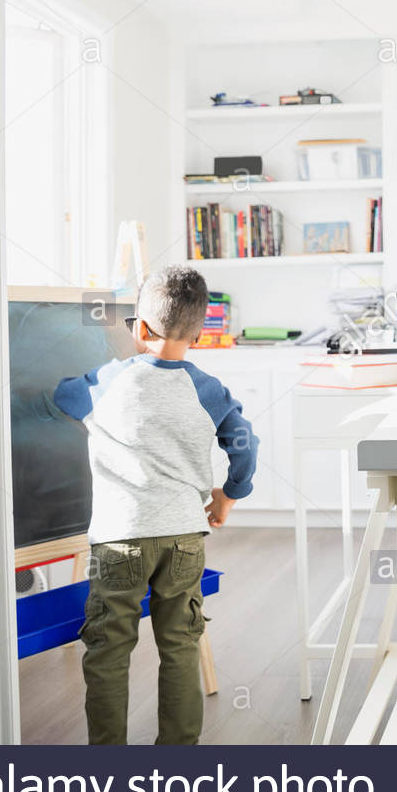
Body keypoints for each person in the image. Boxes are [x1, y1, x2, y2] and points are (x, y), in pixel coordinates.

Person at [53, 265, 257, 745]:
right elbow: (245, 445)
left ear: (140, 328)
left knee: (108, 650)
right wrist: (229, 495)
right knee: (181, 646)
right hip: (184, 537)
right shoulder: (209, 390)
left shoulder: (108, 381)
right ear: (200, 333)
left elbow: (63, 395)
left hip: (119, 540)